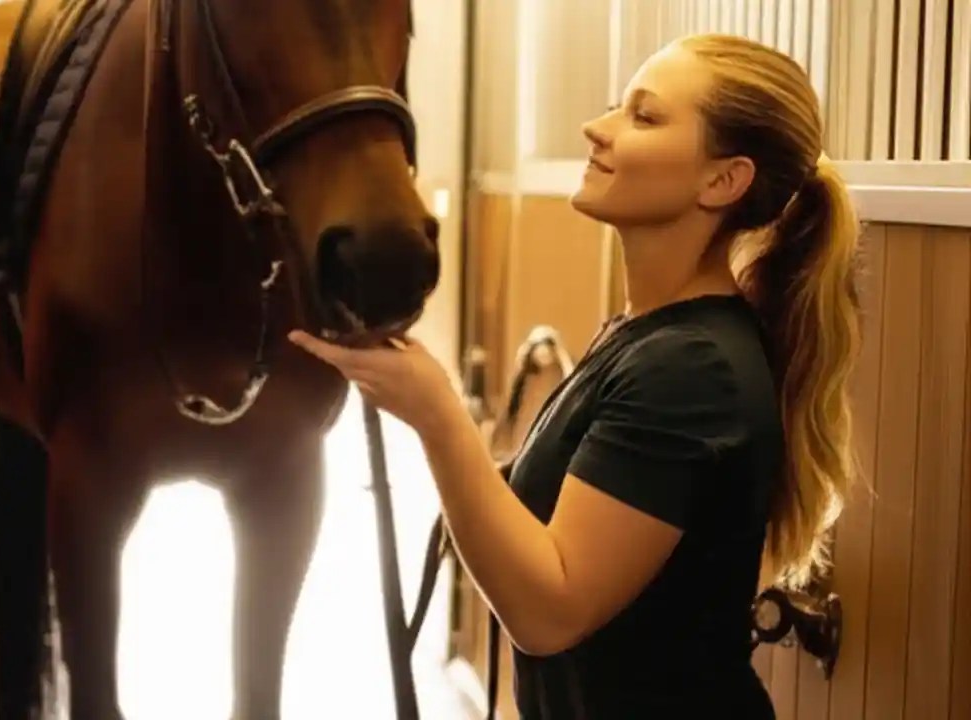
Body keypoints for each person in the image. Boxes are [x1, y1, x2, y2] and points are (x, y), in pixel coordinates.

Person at [288, 33, 862, 719]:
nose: (597, 127)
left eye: (643, 117)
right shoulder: (644, 334)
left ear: (723, 180)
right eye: (617, 106)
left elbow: (549, 612)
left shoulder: (691, 367)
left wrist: (436, 412)